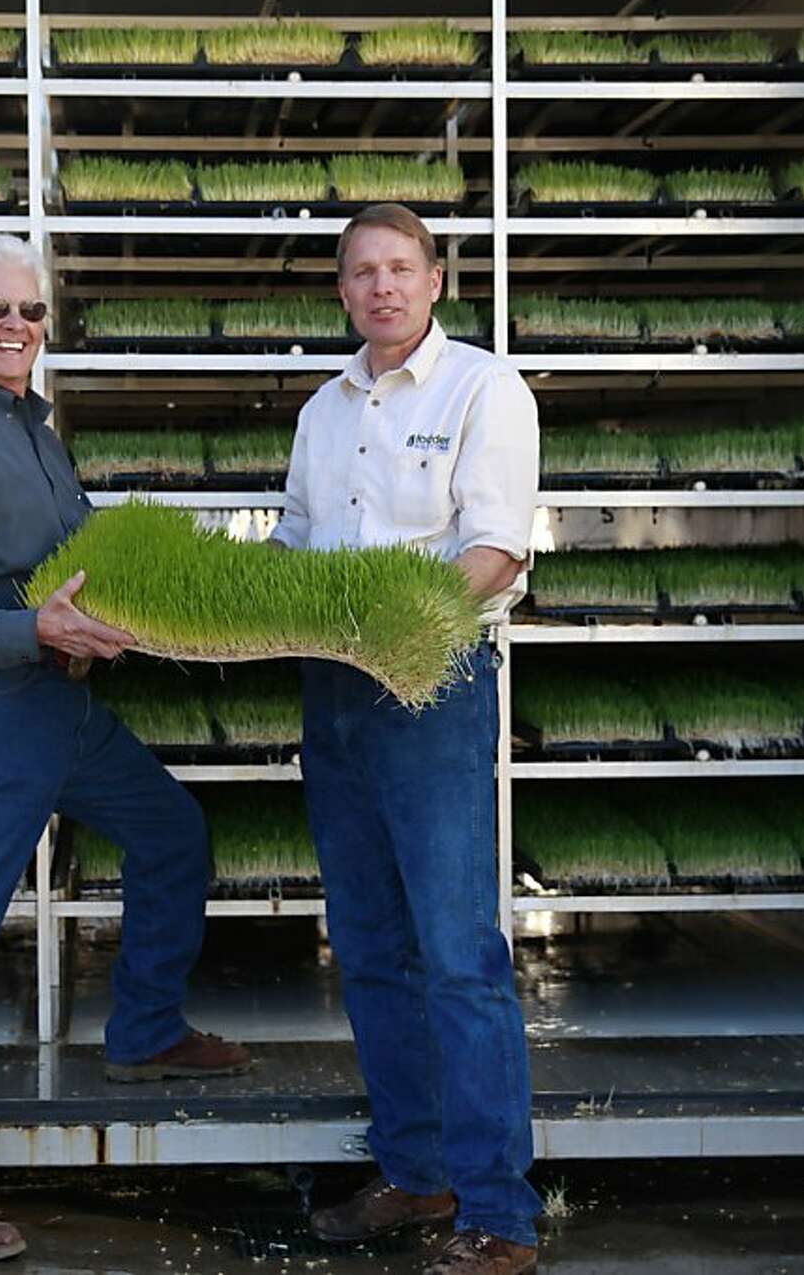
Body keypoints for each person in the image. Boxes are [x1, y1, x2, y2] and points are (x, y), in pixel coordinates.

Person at [0, 234, 251, 1263]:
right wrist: (31, 630)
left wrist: (164, 605)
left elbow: (66, 566)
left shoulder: (31, 430)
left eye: (30, 312)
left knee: (172, 832)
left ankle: (146, 1031)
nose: (15, 326)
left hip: (61, 706)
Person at [271, 204, 543, 1275]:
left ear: (435, 281)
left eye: (399, 268)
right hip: (334, 691)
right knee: (369, 945)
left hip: (433, 685)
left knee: (457, 954)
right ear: (341, 291)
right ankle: (417, 1170)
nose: (381, 287)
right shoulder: (323, 409)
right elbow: (296, 541)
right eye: (361, 272)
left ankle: (501, 1215)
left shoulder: (485, 388)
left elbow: (496, 550)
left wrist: (400, 627)